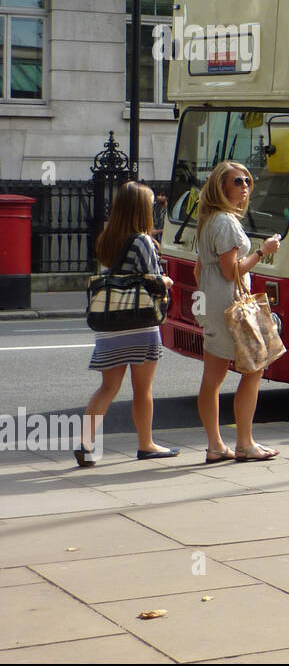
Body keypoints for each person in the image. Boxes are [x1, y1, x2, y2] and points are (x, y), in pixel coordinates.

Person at [75, 182, 177, 466]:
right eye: (150, 205)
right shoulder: (143, 241)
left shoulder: (107, 237)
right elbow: (153, 281)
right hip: (140, 324)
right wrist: (166, 280)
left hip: (110, 324)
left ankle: (85, 443)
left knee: (107, 388)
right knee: (142, 390)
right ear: (141, 209)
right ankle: (146, 444)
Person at [193, 161, 283, 461]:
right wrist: (262, 251)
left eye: (247, 180)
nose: (245, 186)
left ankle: (216, 445)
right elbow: (232, 272)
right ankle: (244, 443)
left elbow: (198, 268)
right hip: (230, 307)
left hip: (213, 302)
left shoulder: (208, 220)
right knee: (255, 367)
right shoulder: (226, 223)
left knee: (213, 377)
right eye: (237, 181)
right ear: (221, 187)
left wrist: (209, 292)